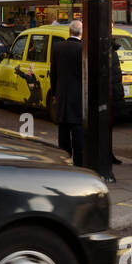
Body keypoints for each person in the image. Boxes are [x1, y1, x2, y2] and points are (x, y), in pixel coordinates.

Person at [50, 20, 84, 166]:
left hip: (62, 94)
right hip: (78, 95)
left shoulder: (57, 48)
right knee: (77, 131)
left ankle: (64, 161)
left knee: (63, 130)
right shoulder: (83, 49)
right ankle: (78, 162)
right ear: (81, 33)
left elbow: (54, 73)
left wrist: (54, 92)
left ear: (69, 32)